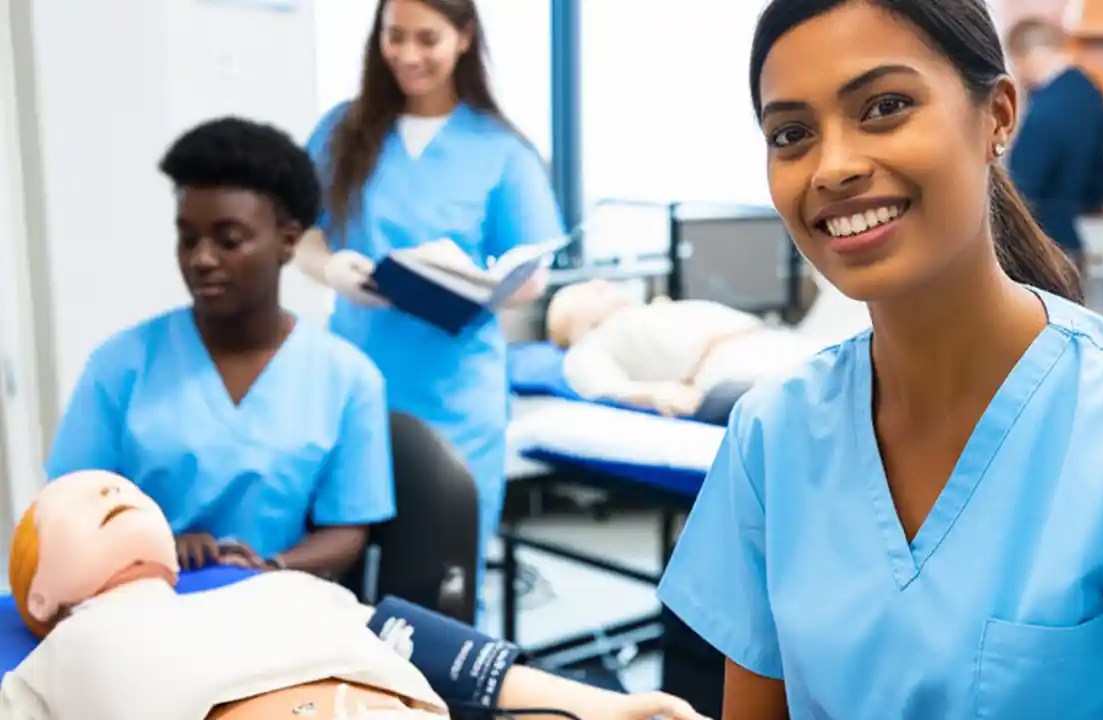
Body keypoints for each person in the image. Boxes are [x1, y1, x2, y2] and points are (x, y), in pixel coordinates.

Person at [656, 1, 1103, 719]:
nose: (832, 167)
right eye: (791, 134)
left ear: (999, 117)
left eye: (885, 107)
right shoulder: (771, 435)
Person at [0, 470, 709, 720]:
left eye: (122, 487)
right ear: (35, 593)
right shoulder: (51, 659)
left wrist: (606, 704)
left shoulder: (276, 592)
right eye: (76, 497)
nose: (110, 488)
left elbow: (434, 652)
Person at [294, 0, 564, 613]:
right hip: (354, 390)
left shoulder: (501, 150)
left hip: (455, 402)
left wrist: (489, 283)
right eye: (394, 37)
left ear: (464, 38)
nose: (408, 55)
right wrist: (329, 267)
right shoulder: (343, 130)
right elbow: (299, 231)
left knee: (435, 594)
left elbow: (531, 270)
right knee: (333, 583)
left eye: (427, 39)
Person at [44, 117, 395, 577]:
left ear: (287, 242)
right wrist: (158, 545)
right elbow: (69, 513)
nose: (201, 259)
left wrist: (271, 568)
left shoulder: (348, 379)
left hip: (281, 608)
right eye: (188, 239)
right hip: (143, 602)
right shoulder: (120, 366)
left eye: (229, 241)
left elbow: (348, 530)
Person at [545, 280, 830, 417]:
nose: (602, 284)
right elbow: (604, 386)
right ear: (578, 323)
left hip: (769, 342)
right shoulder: (589, 345)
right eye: (590, 292)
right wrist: (658, 394)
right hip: (730, 365)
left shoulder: (645, 312)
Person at [1005, 17, 1103, 276]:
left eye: (1017, 63)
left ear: (1030, 54)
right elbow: (1102, 181)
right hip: (1071, 250)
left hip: (1039, 253)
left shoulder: (1046, 109)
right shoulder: (1091, 93)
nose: (1018, 74)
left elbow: (1020, 190)